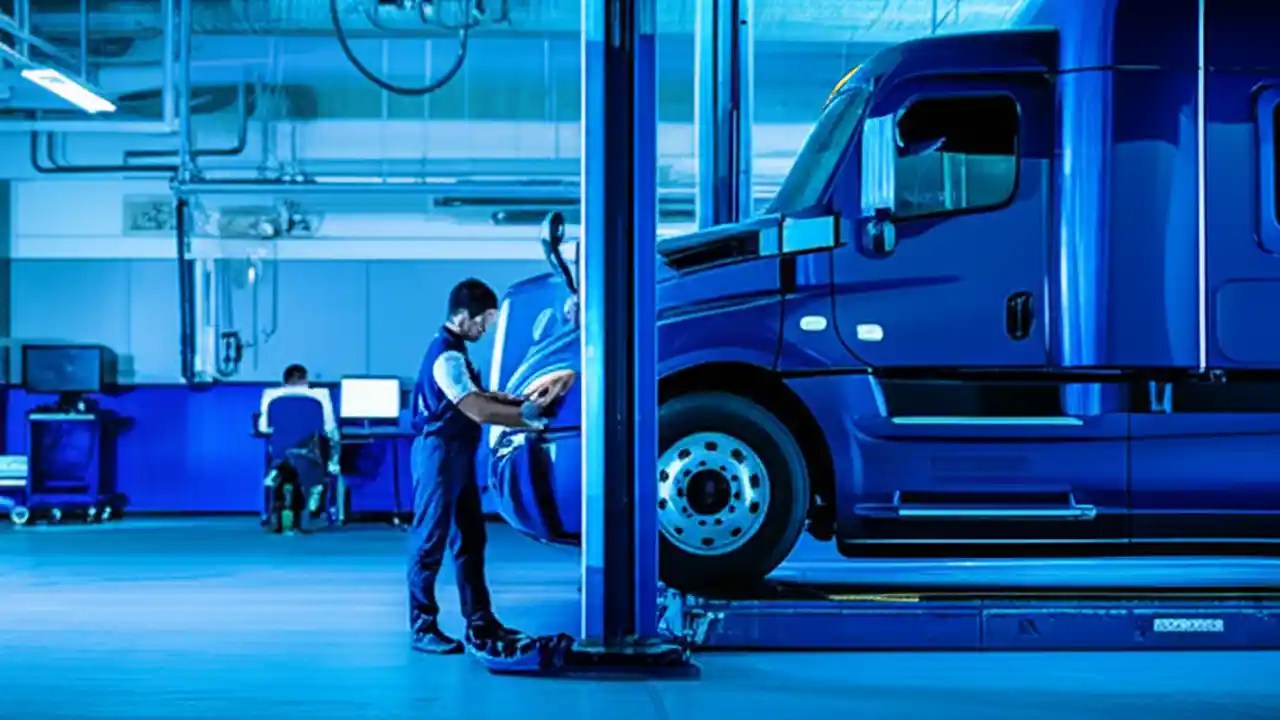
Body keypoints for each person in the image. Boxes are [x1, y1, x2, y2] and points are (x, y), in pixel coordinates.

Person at [408, 278, 561, 655]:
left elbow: (480, 394)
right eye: (483, 321)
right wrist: (527, 418)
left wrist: (519, 399)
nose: (485, 329)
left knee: (471, 540)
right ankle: (422, 625)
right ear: (462, 315)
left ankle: (480, 617)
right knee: (430, 541)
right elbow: (476, 409)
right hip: (439, 455)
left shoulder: (457, 352)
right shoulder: (445, 354)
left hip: (456, 456)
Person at [258, 364, 341, 529]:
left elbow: (263, 428)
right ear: (305, 379)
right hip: (311, 454)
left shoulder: (271, 395)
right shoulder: (320, 396)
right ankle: (324, 500)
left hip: (281, 453)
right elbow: (329, 428)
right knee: (332, 446)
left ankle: (276, 474)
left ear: (285, 380)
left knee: (276, 454)